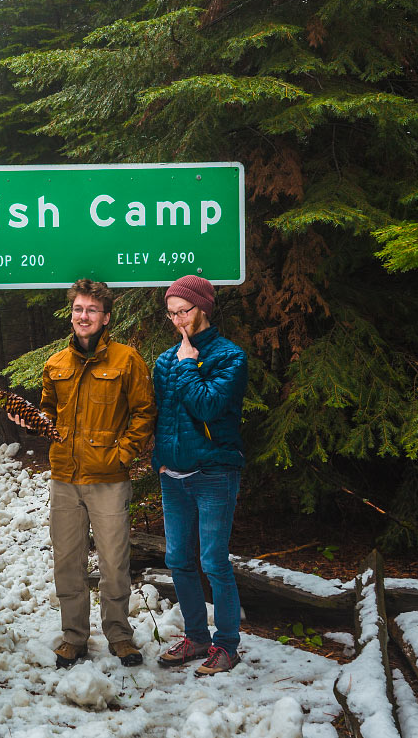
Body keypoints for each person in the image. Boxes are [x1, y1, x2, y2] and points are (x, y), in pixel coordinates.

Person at [11, 279, 154, 669]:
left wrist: (123, 454)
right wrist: (26, 419)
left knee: (113, 562)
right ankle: (74, 636)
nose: (84, 316)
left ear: (106, 317)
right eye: (78, 309)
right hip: (65, 478)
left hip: (108, 478)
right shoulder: (55, 364)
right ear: (71, 315)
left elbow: (144, 413)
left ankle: (120, 635)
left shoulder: (127, 360)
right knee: (67, 561)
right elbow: (48, 418)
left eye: (92, 310)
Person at [152, 274, 249, 676]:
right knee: (178, 559)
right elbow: (163, 415)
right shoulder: (163, 360)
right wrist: (159, 455)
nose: (178, 320)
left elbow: (208, 406)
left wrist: (189, 364)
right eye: (172, 314)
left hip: (214, 473)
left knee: (213, 561)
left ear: (203, 308)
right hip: (172, 475)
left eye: (184, 311)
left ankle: (227, 645)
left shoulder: (230, 357)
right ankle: (196, 637)